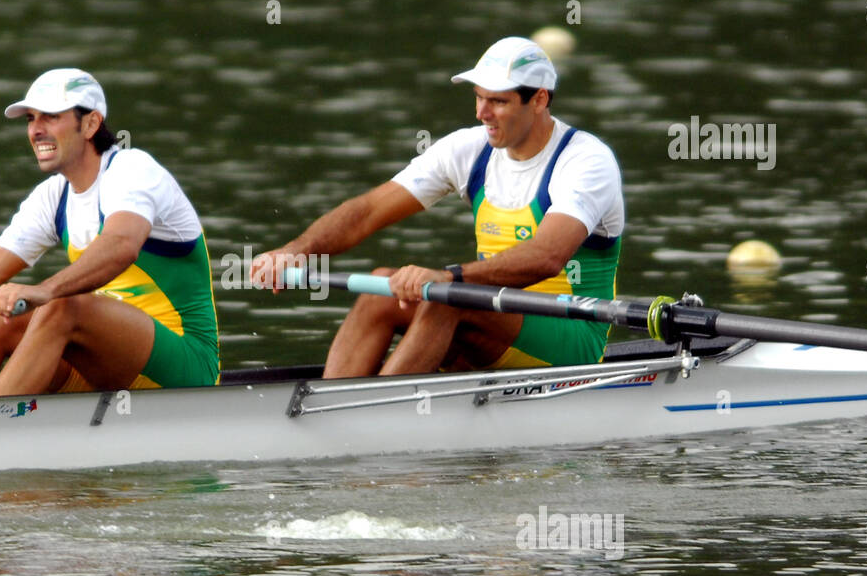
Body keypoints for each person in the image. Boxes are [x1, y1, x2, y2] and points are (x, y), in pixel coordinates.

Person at [251, 36, 624, 376]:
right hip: (498, 319)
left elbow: (546, 256)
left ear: (539, 99)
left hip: (570, 340)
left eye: (498, 101)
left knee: (448, 298)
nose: (481, 113)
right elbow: (366, 212)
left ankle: (379, 417)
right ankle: (332, 404)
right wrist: (296, 250)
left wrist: (449, 277)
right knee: (381, 287)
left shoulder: (585, 161)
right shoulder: (469, 149)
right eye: (479, 97)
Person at [0, 68, 219, 399]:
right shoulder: (53, 196)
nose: (36, 130)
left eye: (51, 117)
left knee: (61, 307)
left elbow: (121, 246)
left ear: (90, 124)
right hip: (103, 367)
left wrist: (46, 291)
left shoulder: (133, 170)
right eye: (31, 118)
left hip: (184, 369)